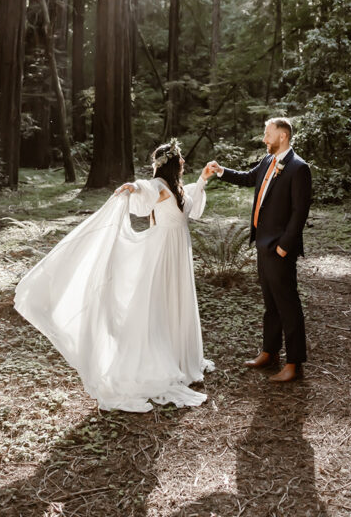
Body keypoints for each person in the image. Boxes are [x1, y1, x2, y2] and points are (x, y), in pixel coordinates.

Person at [14, 140, 216, 412]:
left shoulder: (176, 188)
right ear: (170, 164)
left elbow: (189, 202)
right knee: (164, 298)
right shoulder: (160, 186)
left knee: (177, 298)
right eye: (179, 159)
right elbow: (147, 187)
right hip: (165, 251)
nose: (183, 162)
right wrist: (133, 187)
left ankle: (181, 356)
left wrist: (203, 179)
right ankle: (164, 358)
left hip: (179, 249)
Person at [208, 117, 311, 383]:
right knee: (270, 304)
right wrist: (221, 170)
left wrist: (284, 248)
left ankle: (294, 363)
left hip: (279, 248)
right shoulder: (267, 161)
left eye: (268, 134)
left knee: (288, 304)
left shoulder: (298, 168)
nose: (264, 139)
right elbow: (247, 178)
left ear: (283, 136)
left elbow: (300, 213)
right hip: (262, 245)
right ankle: (270, 352)